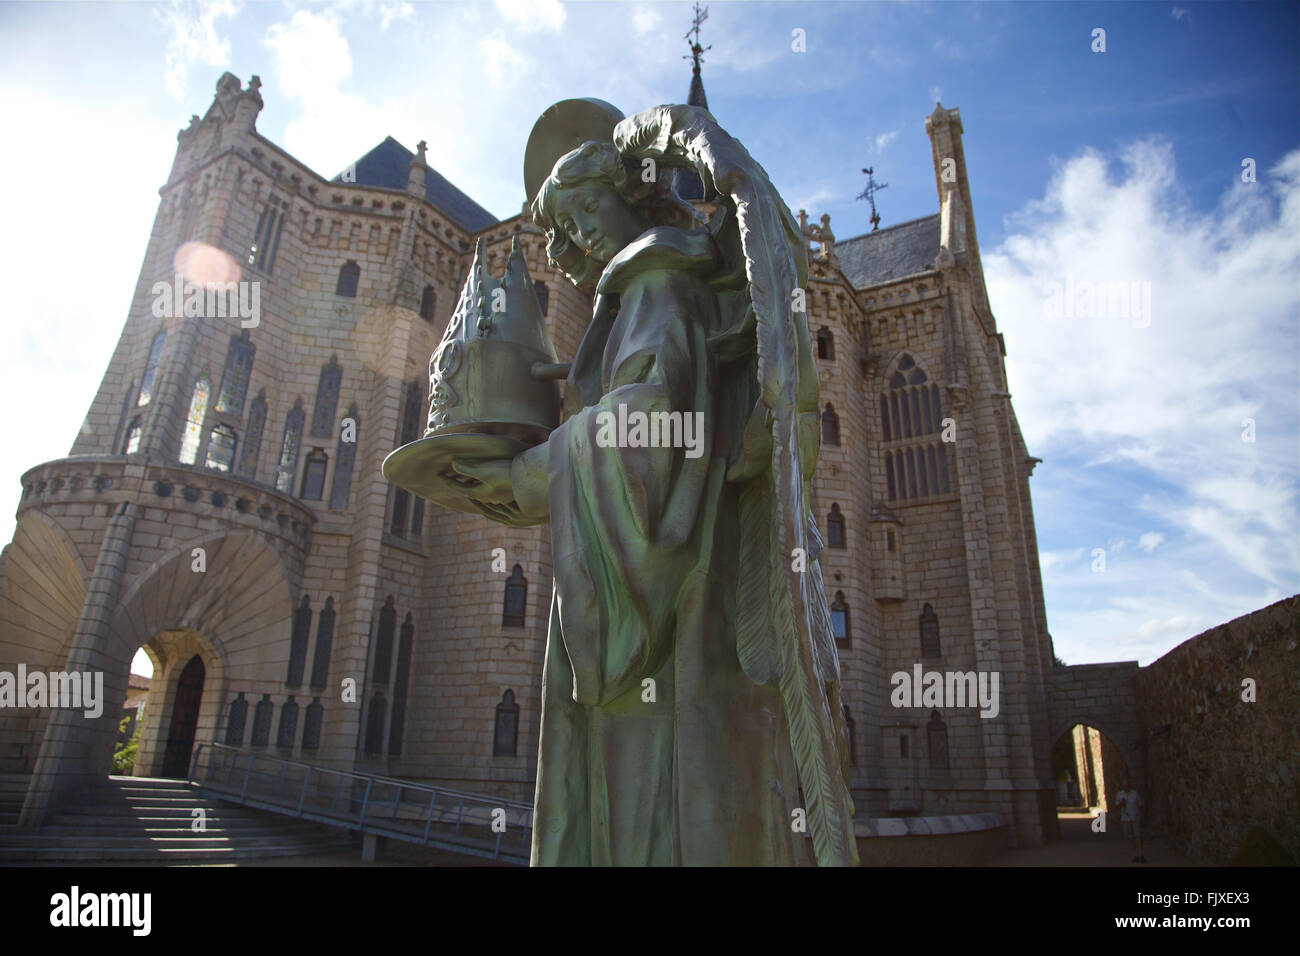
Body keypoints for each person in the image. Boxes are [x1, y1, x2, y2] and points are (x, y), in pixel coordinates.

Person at [452, 110, 856, 865]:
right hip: (696, 596)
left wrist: (528, 473)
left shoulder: (657, 283)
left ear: (630, 194)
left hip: (678, 614)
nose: (580, 237)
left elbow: (645, 428)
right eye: (566, 227)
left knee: (651, 809)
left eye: (585, 211)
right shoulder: (669, 283)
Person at [1114, 777, 1146, 863]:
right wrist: (1121, 804)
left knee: (1138, 836)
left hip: (1135, 817)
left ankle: (1141, 854)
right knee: (1129, 837)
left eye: (1127, 784)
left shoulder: (1135, 794)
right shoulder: (1120, 795)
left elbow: (1140, 804)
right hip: (1125, 819)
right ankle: (1135, 854)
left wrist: (1142, 816)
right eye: (1124, 785)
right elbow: (1116, 807)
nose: (1126, 786)